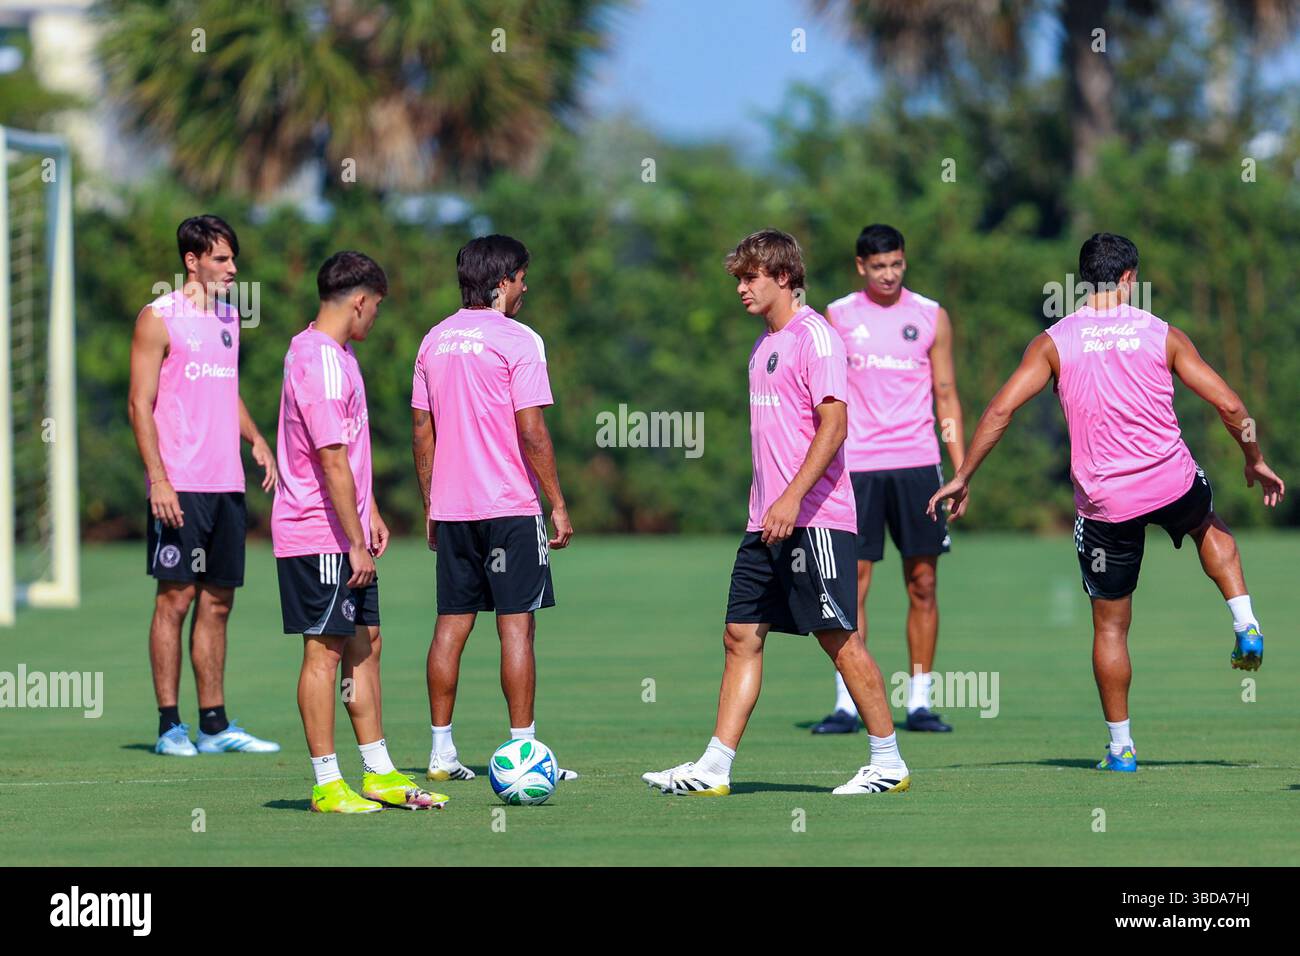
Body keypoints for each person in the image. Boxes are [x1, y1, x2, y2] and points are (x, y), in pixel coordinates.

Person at [928, 233, 1283, 771]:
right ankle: (1244, 620)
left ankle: (1121, 748)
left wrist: (964, 475)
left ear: (1083, 278)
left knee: (1112, 627)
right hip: (1171, 480)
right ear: (1128, 278)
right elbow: (1231, 404)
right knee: (1208, 524)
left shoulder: (1053, 342)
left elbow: (1000, 411)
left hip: (1105, 504)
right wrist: (1253, 458)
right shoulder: (1162, 334)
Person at [642, 228, 911, 796]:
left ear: (783, 277)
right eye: (737, 278)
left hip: (813, 518)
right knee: (740, 635)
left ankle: (888, 762)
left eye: (749, 277)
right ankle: (714, 767)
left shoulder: (818, 337)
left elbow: (835, 425)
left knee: (838, 636)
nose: (740, 288)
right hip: (764, 522)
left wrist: (791, 496)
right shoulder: (764, 345)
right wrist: (771, 504)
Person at [273, 251, 443, 812]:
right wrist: (351, 540)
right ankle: (326, 782)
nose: (375, 321)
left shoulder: (340, 355)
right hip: (318, 535)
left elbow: (347, 447)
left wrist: (368, 510)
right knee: (323, 652)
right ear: (360, 302)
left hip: (344, 528)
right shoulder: (317, 360)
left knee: (365, 646)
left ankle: (378, 771)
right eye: (376, 311)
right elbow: (328, 458)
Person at [412, 234, 576, 784]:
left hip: (454, 510)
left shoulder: (432, 340)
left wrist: (431, 503)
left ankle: (440, 754)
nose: (526, 286)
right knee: (516, 629)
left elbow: (421, 430)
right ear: (504, 280)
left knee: (450, 627)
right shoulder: (519, 340)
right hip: (509, 505)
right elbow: (531, 429)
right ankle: (524, 752)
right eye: (523, 276)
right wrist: (557, 503)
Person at [128, 214, 280, 756]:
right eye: (221, 259)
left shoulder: (229, 317)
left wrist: (256, 439)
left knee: (218, 603)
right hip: (180, 485)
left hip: (226, 483)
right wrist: (160, 480)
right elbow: (138, 404)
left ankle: (214, 726)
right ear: (192, 261)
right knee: (176, 598)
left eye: (233, 259)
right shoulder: (158, 318)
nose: (232, 268)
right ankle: (171, 726)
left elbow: (225, 388)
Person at [812, 224, 965, 735]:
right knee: (851, 584)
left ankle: (919, 702)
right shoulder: (837, 315)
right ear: (861, 266)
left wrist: (960, 466)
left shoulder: (929, 314)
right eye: (879, 266)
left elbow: (945, 391)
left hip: (918, 464)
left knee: (922, 582)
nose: (889, 274)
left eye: (896, 264)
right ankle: (847, 704)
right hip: (856, 469)